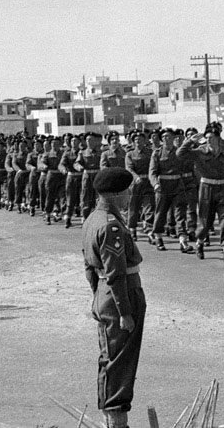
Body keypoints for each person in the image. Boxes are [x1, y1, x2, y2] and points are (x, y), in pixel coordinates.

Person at [82, 168, 146, 428]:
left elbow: (89, 267)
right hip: (122, 296)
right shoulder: (111, 225)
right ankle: (117, 422)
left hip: (104, 293)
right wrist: (124, 312)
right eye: (127, 191)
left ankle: (112, 418)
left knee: (110, 358)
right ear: (117, 194)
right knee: (120, 362)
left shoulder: (93, 218)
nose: (130, 196)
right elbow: (117, 273)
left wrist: (99, 295)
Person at [176, 123, 224, 264]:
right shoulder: (200, 151)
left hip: (222, 188)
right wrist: (190, 141)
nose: (208, 140)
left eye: (211, 138)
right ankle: (200, 243)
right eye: (207, 138)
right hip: (206, 187)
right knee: (204, 220)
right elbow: (180, 154)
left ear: (218, 139)